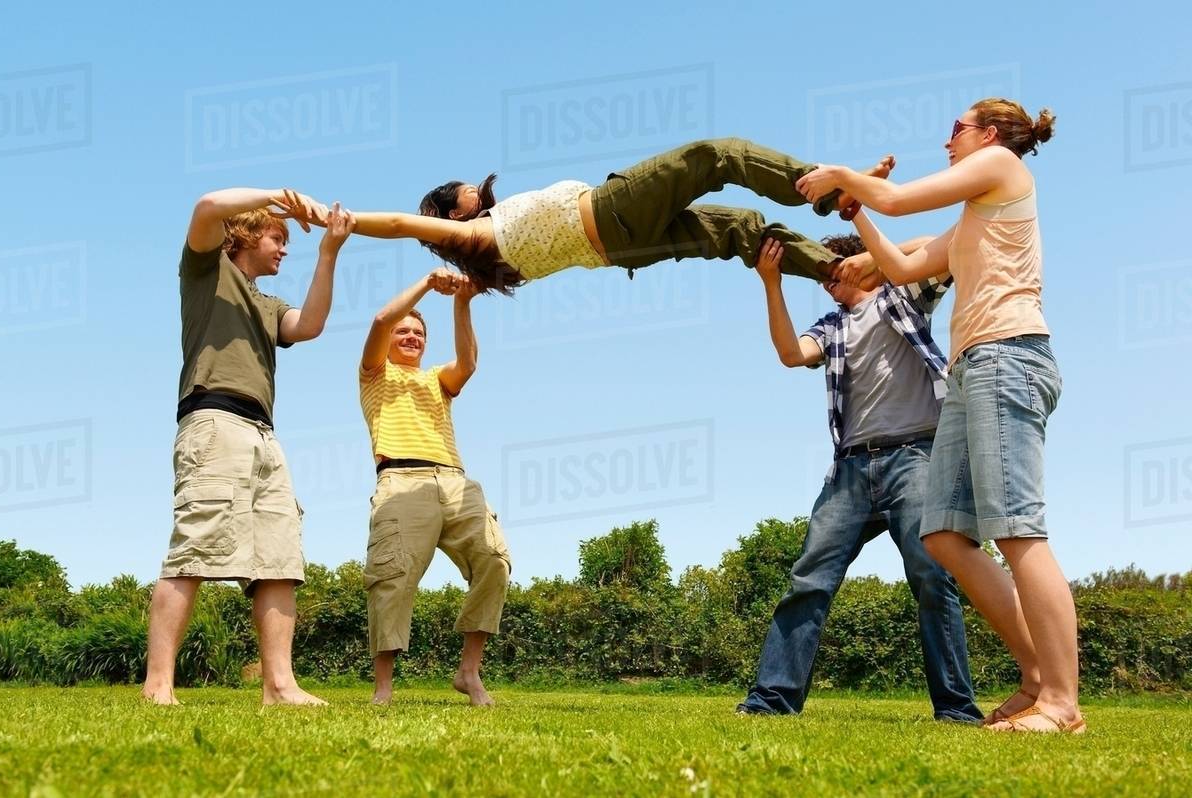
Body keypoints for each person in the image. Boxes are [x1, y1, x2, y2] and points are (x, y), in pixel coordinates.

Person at [800, 99, 1082, 734]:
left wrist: (844, 173)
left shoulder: (1004, 167)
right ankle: (1035, 680)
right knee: (945, 537)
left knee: (1018, 533)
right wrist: (858, 213)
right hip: (971, 372)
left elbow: (901, 201)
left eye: (956, 128)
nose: (946, 139)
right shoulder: (974, 219)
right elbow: (900, 266)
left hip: (1008, 357)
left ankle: (1062, 704)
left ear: (987, 134)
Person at [736, 235, 981, 723]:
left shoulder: (902, 297)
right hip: (850, 468)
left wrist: (868, 260)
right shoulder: (831, 327)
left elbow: (943, 245)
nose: (827, 280)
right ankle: (771, 700)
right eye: (821, 274)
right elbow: (790, 353)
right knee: (809, 578)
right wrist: (771, 282)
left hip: (915, 458)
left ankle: (956, 708)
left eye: (833, 268)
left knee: (934, 576)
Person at [142, 188, 355, 706]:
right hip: (213, 421)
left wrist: (329, 252)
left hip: (264, 433)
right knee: (194, 551)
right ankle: (158, 685)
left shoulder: (268, 304)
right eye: (276, 237)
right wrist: (288, 199)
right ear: (244, 235)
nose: (284, 248)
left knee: (280, 560)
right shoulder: (206, 272)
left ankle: (279, 686)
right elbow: (207, 205)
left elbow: (310, 325)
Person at [275, 139, 894, 294]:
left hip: (620, 251)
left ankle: (839, 272)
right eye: (469, 194)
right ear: (450, 213)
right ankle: (823, 191)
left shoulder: (492, 265)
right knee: (716, 157)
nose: (480, 195)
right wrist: (342, 218)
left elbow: (461, 282)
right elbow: (406, 226)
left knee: (745, 234)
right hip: (610, 210)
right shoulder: (470, 234)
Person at [358, 268, 511, 706]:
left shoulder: (436, 380)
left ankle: (469, 672)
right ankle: (384, 687)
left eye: (418, 332)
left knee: (495, 560)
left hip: (455, 479)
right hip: (402, 480)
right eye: (403, 331)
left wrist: (462, 301)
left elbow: (468, 365)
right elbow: (380, 320)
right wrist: (427, 284)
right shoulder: (374, 374)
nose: (410, 337)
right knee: (393, 575)